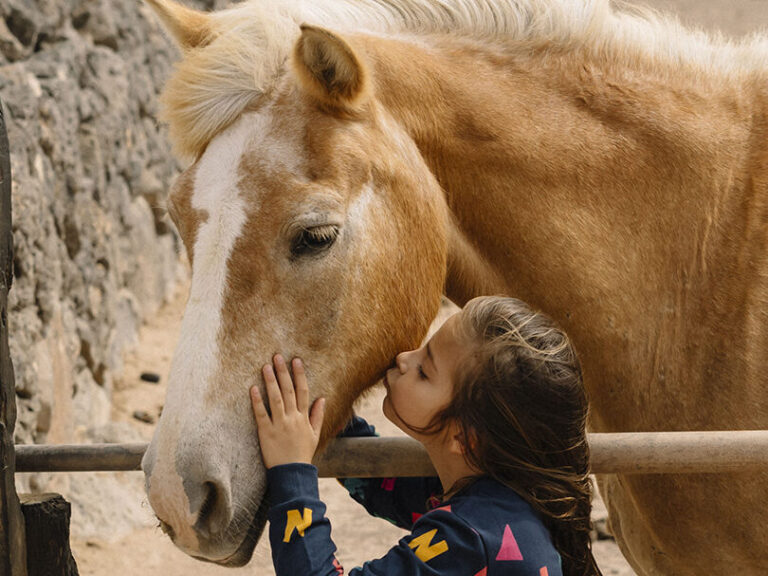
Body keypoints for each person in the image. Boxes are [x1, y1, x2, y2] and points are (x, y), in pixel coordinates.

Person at [250, 296, 602, 576]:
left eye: (424, 372)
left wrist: (291, 471)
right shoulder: (503, 499)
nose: (403, 358)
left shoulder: (469, 539)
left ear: (464, 439)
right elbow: (385, 487)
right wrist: (327, 408)